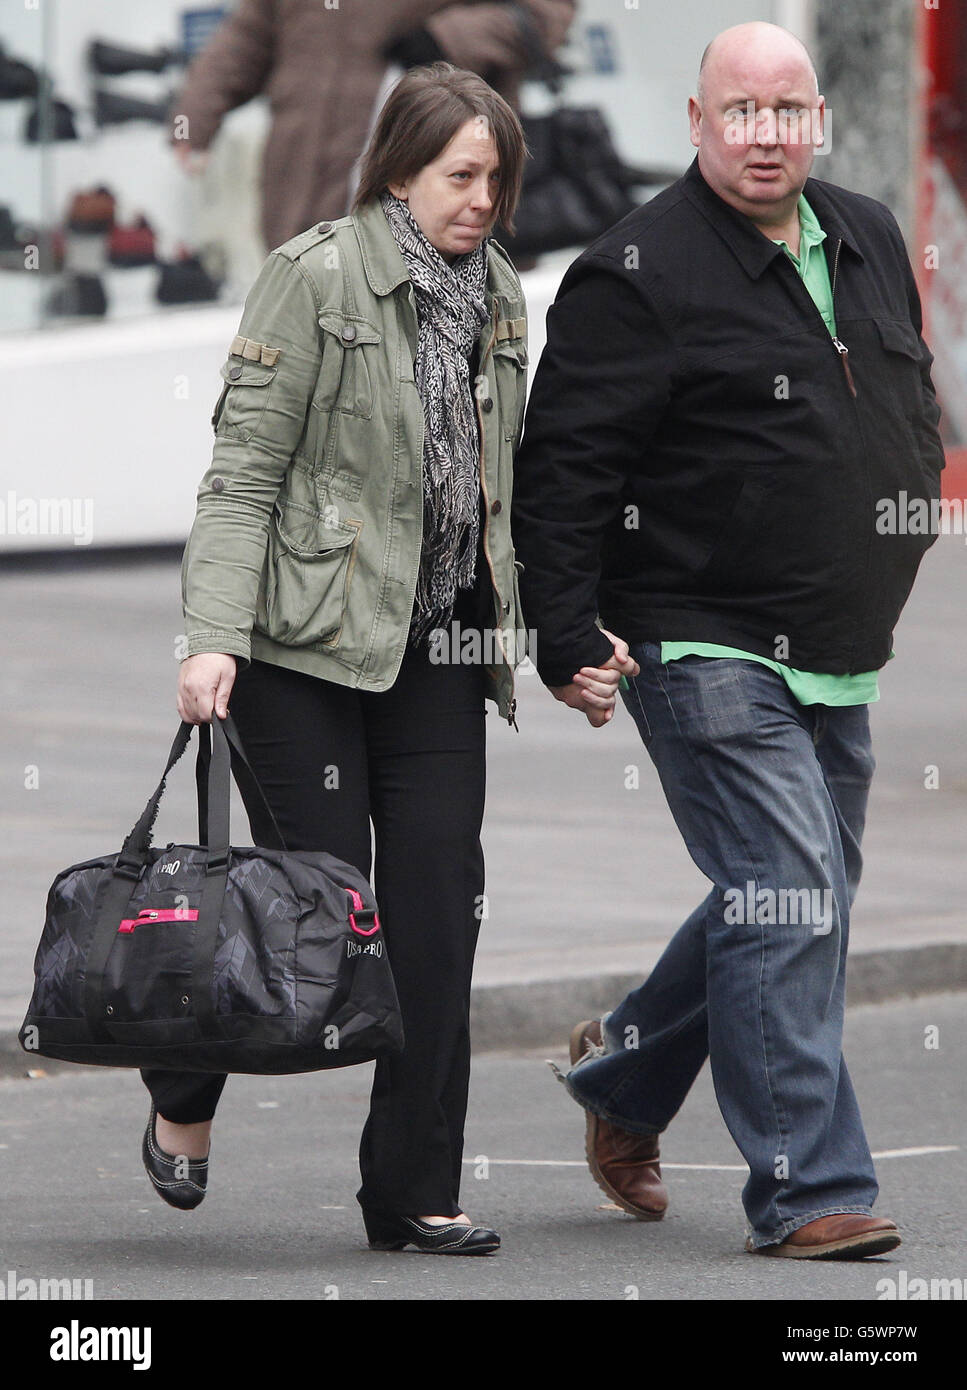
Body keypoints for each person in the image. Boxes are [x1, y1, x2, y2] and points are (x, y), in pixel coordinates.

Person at [511, 22, 945, 1259]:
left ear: (816, 119)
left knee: (791, 894)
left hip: (835, 639)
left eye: (785, 111)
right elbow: (564, 472)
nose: (765, 135)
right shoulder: (634, 269)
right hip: (695, 637)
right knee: (794, 889)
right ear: (697, 122)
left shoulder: (862, 231)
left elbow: (898, 403)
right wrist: (561, 632)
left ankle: (623, 1077)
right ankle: (809, 1189)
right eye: (739, 113)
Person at [140, 63, 539, 1255]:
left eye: (496, 179)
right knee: (315, 917)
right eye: (461, 176)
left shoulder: (502, 293)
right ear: (398, 173)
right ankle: (178, 1080)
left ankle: (413, 1190)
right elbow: (242, 476)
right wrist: (213, 634)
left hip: (436, 654)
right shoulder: (313, 277)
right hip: (303, 650)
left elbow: (512, 490)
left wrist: (558, 634)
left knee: (435, 916)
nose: (482, 200)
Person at [170, 0, 576, 250]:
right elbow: (249, 35)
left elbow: (545, 13)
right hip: (299, 169)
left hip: (425, 152)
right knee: (307, 315)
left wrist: (449, 38)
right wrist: (194, 118)